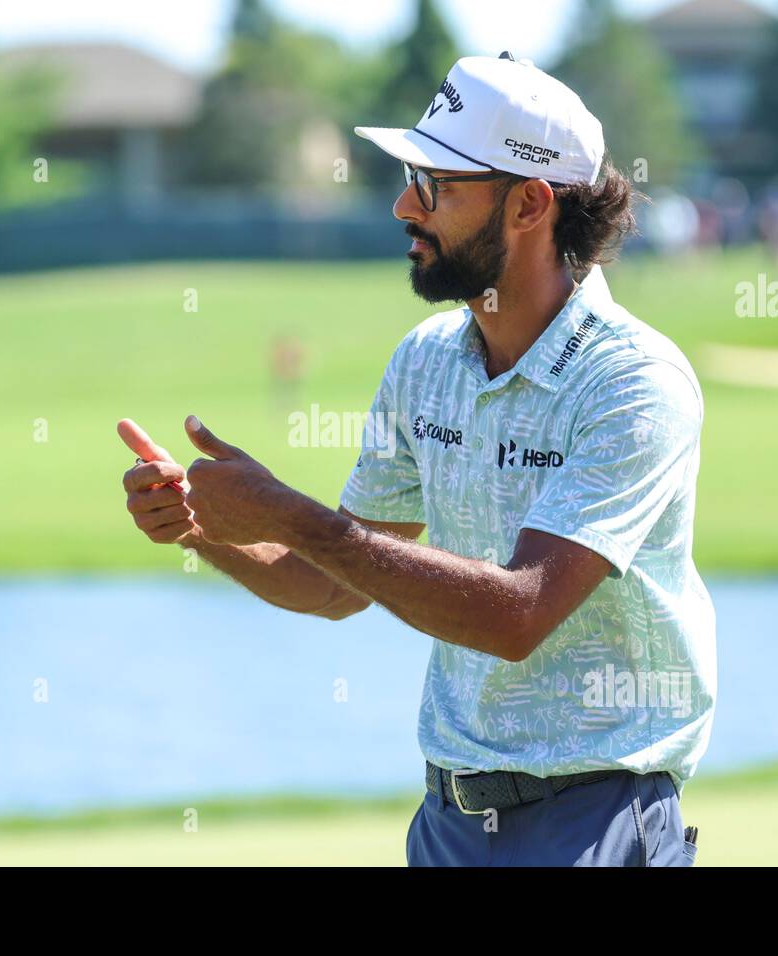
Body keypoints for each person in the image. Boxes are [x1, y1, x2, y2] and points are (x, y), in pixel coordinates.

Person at [119, 53, 714, 867]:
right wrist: (204, 530)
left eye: (438, 185)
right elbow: (331, 583)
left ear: (531, 204)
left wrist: (289, 514)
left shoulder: (635, 382)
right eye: (412, 176)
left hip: (595, 819)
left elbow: (518, 616)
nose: (405, 205)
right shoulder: (428, 360)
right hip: (448, 825)